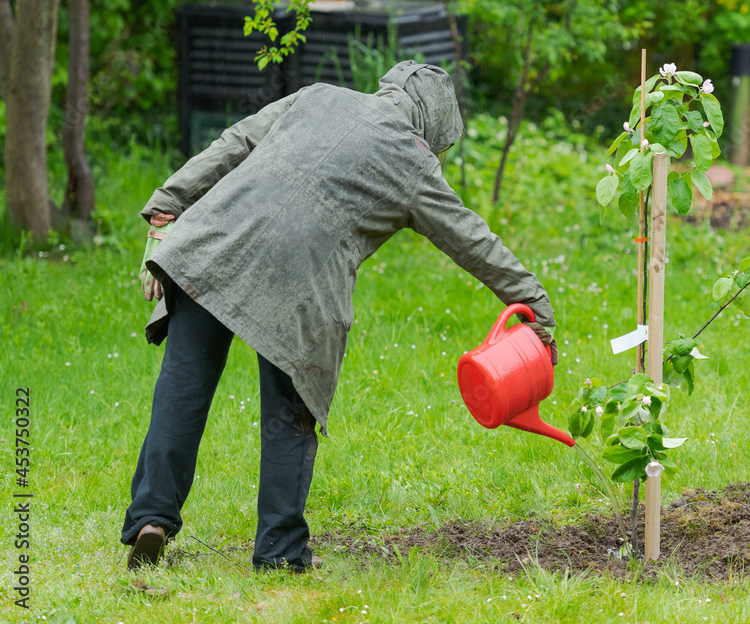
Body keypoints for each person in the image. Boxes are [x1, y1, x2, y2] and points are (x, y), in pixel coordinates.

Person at [122, 61, 557, 572]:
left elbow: (236, 141)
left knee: (183, 389)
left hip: (214, 241)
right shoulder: (413, 163)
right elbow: (473, 242)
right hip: (299, 284)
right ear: (435, 126)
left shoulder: (316, 95)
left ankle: (151, 522)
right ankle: (280, 552)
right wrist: (538, 308)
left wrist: (167, 206)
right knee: (291, 413)